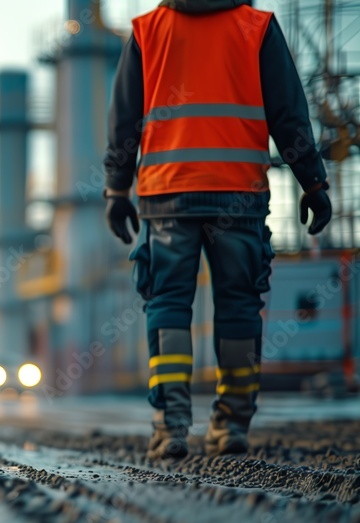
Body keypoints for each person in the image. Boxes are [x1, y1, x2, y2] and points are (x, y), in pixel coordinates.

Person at [103, 0, 332, 459]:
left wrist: (116, 188)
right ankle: (230, 427)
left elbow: (125, 119)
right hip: (238, 194)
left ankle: (171, 428)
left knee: (167, 304)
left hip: (168, 194)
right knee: (239, 307)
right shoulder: (257, 27)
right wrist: (313, 180)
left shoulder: (148, 31)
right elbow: (288, 113)